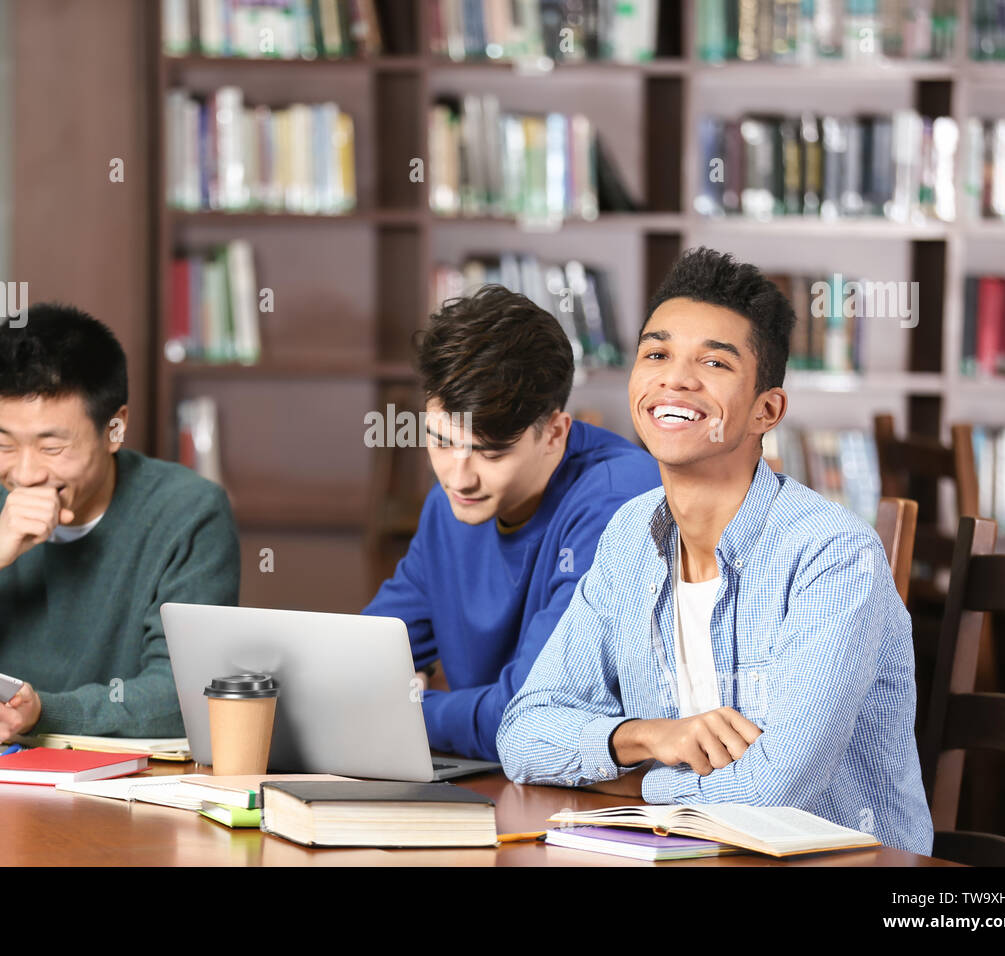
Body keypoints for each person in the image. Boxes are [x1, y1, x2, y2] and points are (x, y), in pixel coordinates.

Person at [497, 247, 933, 855]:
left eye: (713, 362)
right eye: (656, 354)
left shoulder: (833, 556)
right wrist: (652, 737)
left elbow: (776, 791)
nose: (674, 379)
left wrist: (631, 776)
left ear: (766, 410)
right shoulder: (629, 537)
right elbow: (523, 734)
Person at [0, 304, 239, 744]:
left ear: (115, 428)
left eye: (51, 447)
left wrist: (44, 714)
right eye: (1, 443)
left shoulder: (189, 513)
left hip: (135, 787)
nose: (24, 474)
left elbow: (184, 696)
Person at [362, 284, 662, 762]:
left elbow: (533, 715)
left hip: (595, 802)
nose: (457, 476)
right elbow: (360, 662)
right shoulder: (451, 504)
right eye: (440, 442)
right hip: (497, 781)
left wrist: (407, 709)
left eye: (491, 453)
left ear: (555, 433)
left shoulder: (619, 499)